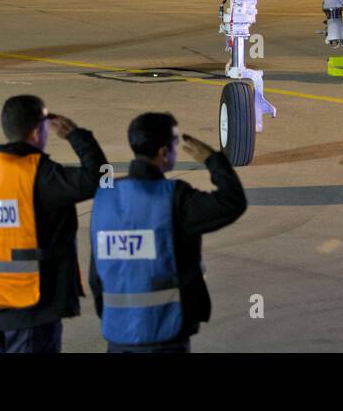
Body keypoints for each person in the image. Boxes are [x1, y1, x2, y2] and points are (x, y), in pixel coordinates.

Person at [89, 112, 246, 352]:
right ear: (164, 153)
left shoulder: (105, 197)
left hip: (118, 333)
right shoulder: (174, 198)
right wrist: (213, 160)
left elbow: (96, 274)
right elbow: (232, 201)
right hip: (164, 333)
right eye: (174, 146)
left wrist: (115, 314)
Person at [0, 95, 107, 353]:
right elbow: (100, 179)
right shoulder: (39, 174)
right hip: (33, 306)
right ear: (38, 130)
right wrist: (77, 136)